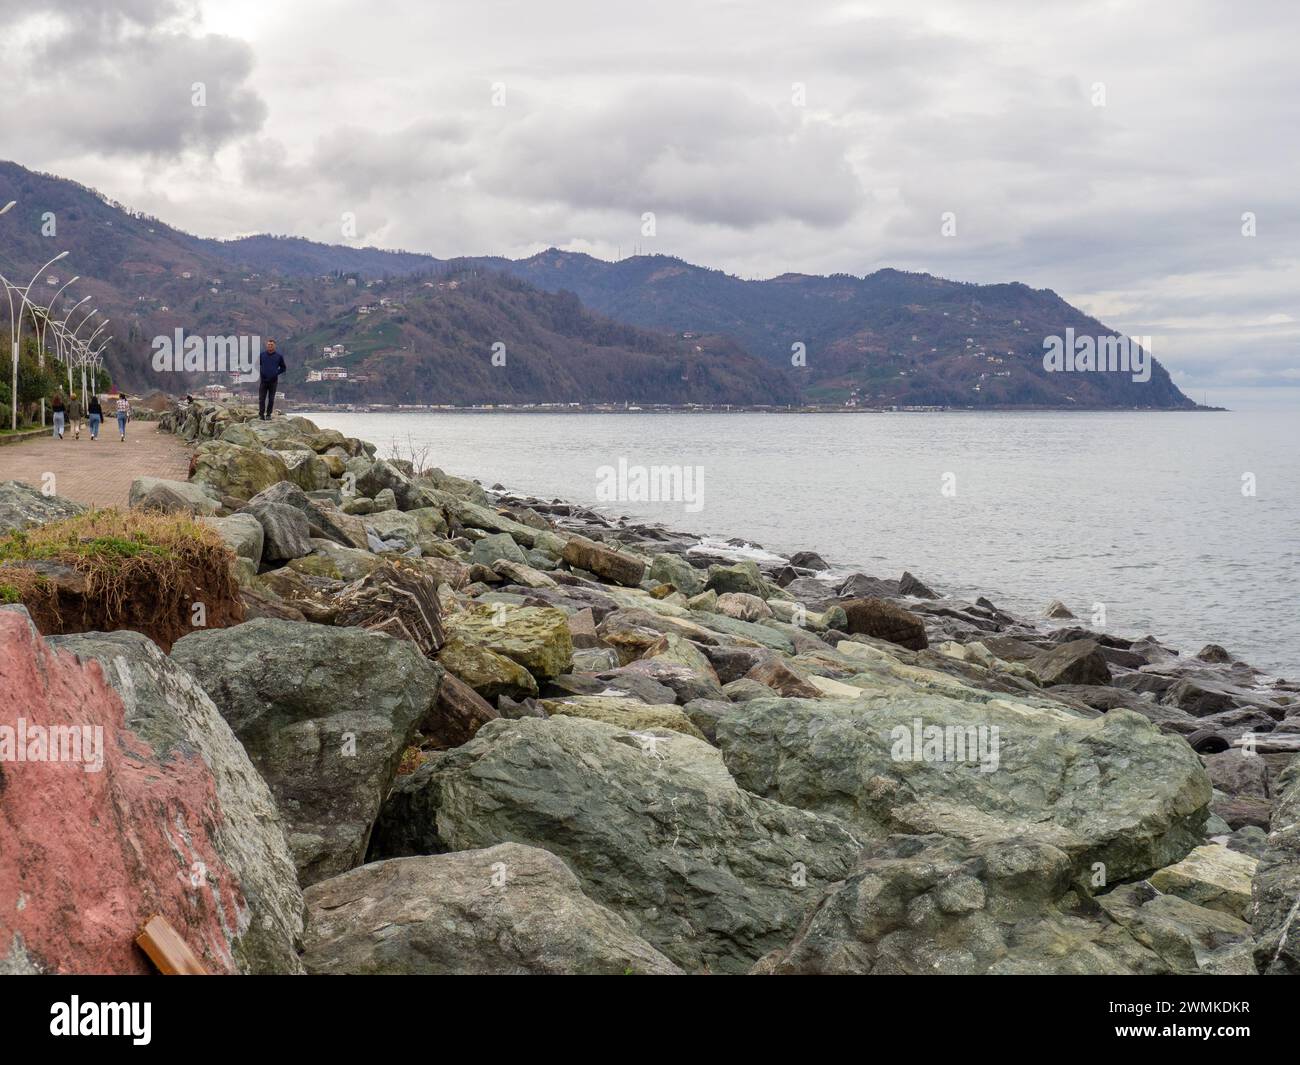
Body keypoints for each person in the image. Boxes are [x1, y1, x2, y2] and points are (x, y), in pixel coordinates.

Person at [258, 339, 286, 420]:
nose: (270, 346)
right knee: (261, 399)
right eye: (268, 345)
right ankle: (261, 415)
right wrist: (262, 372)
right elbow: (258, 365)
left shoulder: (279, 356)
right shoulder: (262, 355)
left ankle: (268, 414)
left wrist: (276, 373)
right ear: (267, 346)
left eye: (271, 345)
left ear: (274, 346)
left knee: (271, 399)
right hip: (263, 381)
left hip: (273, 381)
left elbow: (283, 368)